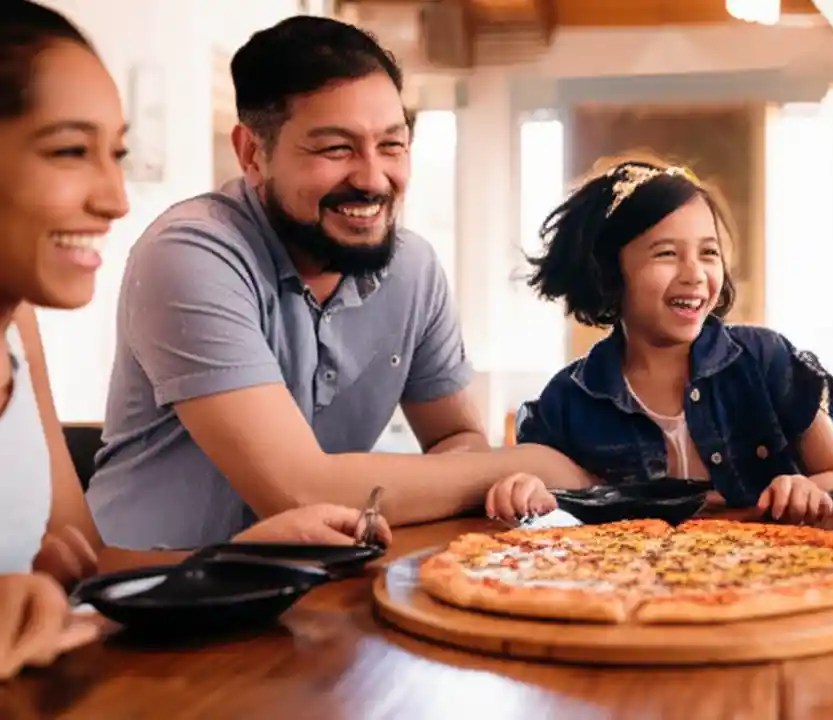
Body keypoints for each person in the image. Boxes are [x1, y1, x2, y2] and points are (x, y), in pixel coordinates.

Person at [85, 15, 585, 548]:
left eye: (392, 145)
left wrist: (483, 473)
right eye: (335, 149)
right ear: (253, 154)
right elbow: (300, 493)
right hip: (150, 596)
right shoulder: (191, 252)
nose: (372, 179)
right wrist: (532, 462)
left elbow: (454, 436)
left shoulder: (412, 268)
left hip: (320, 593)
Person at [0, 0, 391, 680]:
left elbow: (87, 567)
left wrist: (236, 556)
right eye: (70, 151)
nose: (117, 198)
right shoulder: (194, 249)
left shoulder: (14, 327)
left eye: (114, 152)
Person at [485, 158, 833, 525]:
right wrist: (524, 489)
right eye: (667, 254)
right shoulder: (568, 400)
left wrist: (807, 489)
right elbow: (547, 505)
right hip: (629, 586)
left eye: (708, 253)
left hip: (773, 580)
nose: (695, 274)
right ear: (608, 272)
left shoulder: (766, 360)